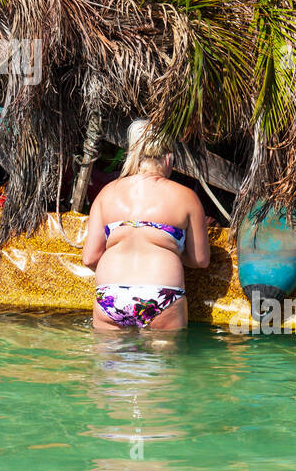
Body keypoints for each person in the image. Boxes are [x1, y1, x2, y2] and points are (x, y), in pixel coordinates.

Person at [82, 120, 212, 330]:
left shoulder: (106, 194)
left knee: (109, 362)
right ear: (169, 157)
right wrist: (169, 251)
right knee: (161, 362)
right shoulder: (186, 197)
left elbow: (89, 258)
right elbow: (200, 260)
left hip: (111, 295)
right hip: (161, 293)